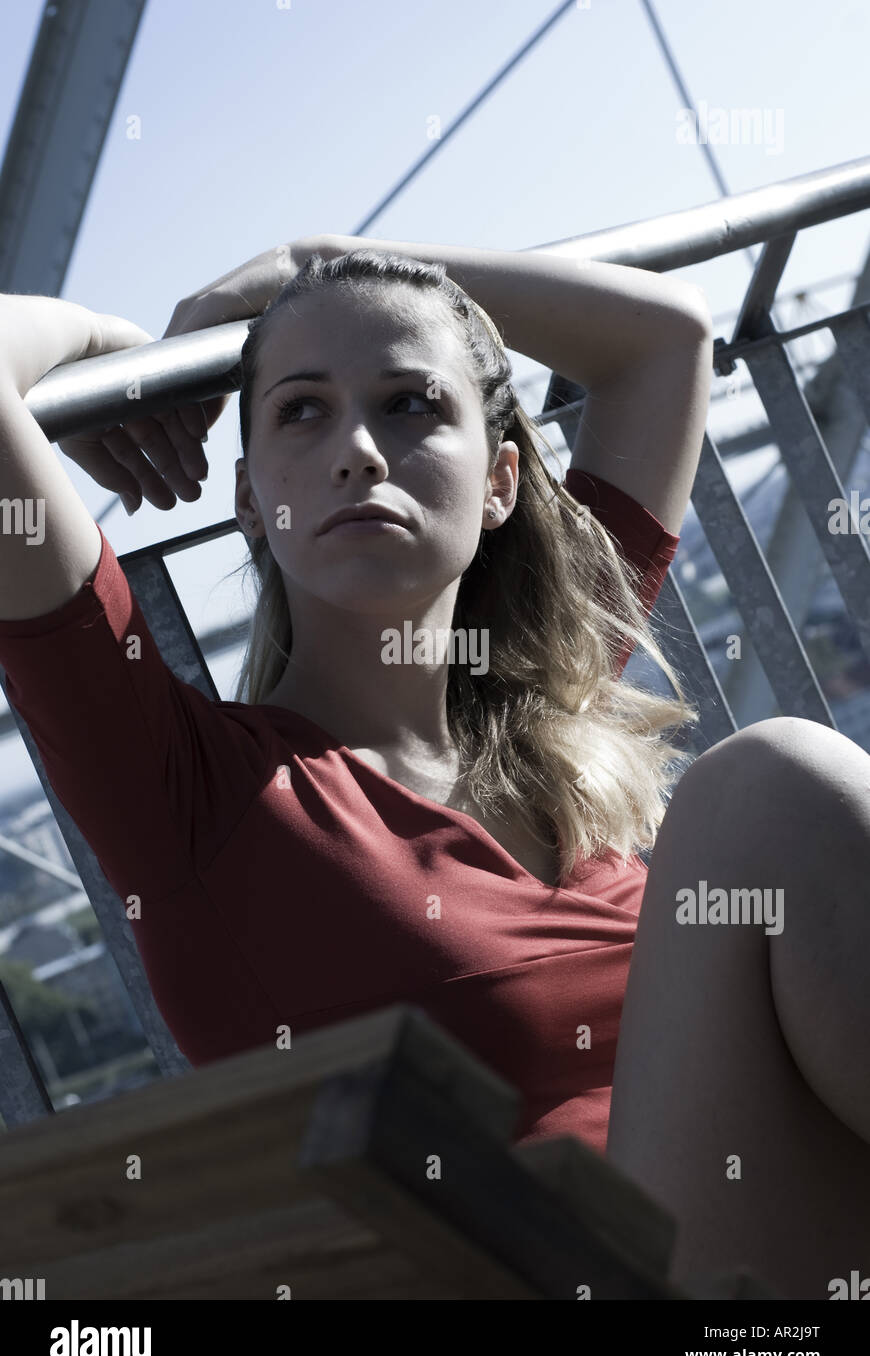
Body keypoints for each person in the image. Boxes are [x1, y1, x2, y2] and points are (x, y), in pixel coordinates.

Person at [0, 236, 867, 1301]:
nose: (357, 449)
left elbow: (668, 339)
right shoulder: (191, 790)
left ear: (501, 480)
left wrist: (315, 263)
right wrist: (105, 352)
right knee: (767, 787)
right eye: (302, 411)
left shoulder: (554, 706)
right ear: (250, 497)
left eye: (411, 404)